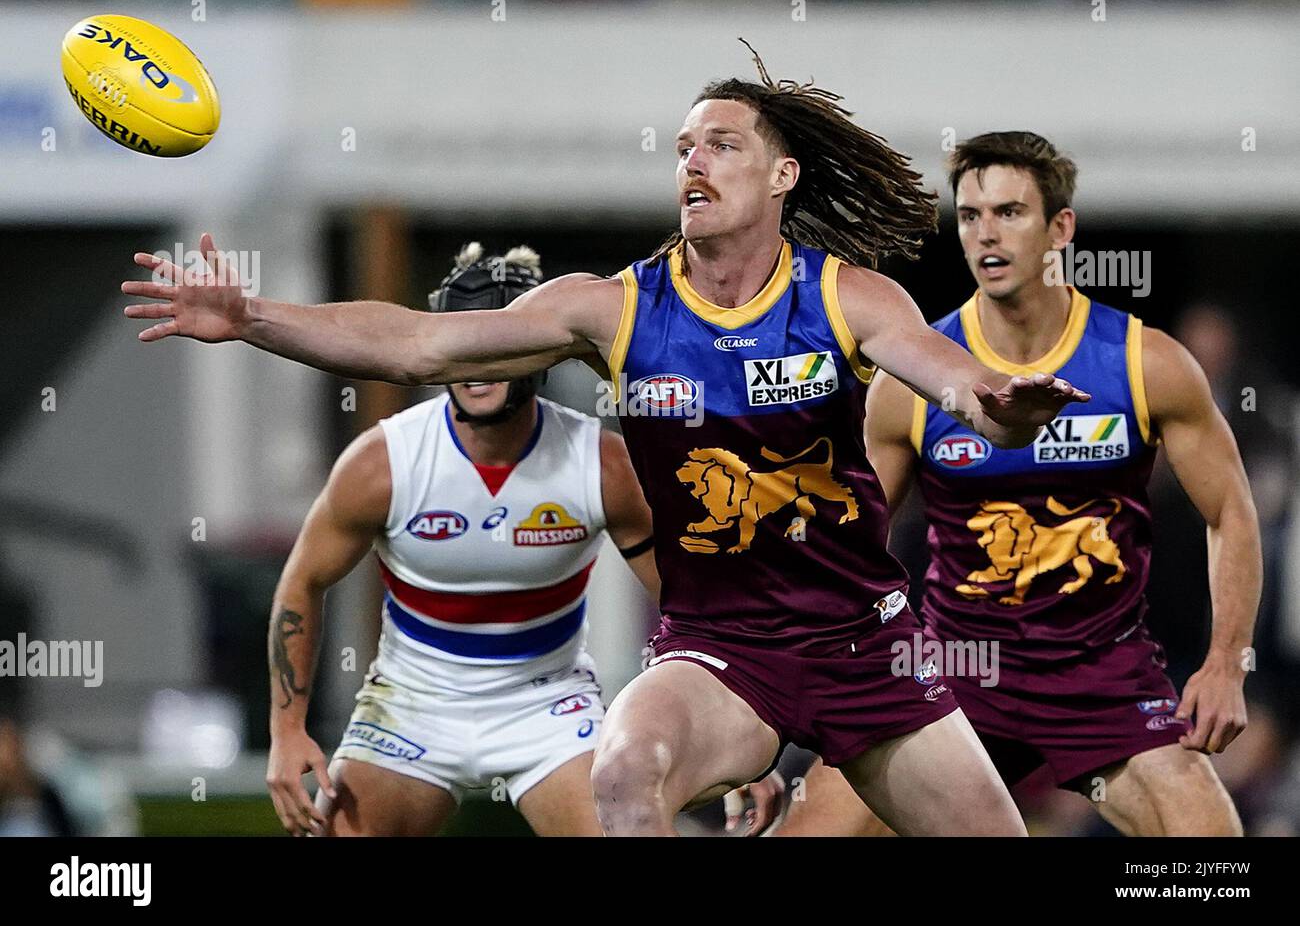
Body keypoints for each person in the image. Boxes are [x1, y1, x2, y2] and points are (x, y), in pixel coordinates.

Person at [123, 48, 1089, 836]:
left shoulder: (846, 296)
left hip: (868, 648)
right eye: (681, 147)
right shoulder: (618, 306)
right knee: (624, 773)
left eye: (721, 144)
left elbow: (961, 386)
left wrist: (1005, 408)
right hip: (721, 653)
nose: (693, 163)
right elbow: (419, 345)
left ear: (783, 174)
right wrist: (253, 317)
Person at [778, 131, 1256, 836]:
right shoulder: (915, 378)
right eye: (970, 216)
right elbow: (850, 544)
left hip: (1103, 677)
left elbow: (1232, 513)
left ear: (1061, 227)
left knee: (1211, 858)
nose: (986, 234)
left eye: (1009, 212)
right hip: (954, 671)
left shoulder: (1144, 362)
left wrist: (1225, 663)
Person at [263, 243, 657, 836]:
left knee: (629, 828)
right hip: (412, 705)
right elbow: (303, 581)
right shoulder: (383, 463)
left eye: (493, 347)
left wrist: (725, 728)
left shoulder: (603, 466)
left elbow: (692, 607)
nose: (474, 366)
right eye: (460, 345)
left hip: (548, 704)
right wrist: (286, 733)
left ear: (538, 354)